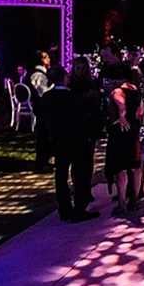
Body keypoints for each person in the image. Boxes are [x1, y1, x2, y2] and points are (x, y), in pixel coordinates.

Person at [42, 66, 99, 223]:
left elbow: (42, 120)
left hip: (57, 141)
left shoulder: (46, 97)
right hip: (75, 140)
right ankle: (79, 209)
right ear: (64, 78)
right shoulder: (73, 97)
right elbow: (82, 119)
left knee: (61, 175)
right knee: (79, 174)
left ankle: (64, 209)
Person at [105, 67, 144, 213]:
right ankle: (135, 199)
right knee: (135, 165)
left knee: (121, 167)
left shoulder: (117, 91)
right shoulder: (136, 91)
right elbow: (141, 110)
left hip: (121, 131)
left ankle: (122, 202)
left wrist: (122, 116)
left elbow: (121, 104)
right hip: (134, 129)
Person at [69, 57, 103, 215]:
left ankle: (84, 192)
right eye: (77, 67)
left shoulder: (88, 84)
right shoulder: (74, 86)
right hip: (80, 128)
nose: (79, 71)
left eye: (81, 68)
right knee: (80, 164)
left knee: (85, 163)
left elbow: (96, 107)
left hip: (85, 128)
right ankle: (80, 195)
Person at [30, 50, 53, 173]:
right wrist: (55, 87)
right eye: (46, 57)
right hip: (43, 109)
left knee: (46, 135)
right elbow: (43, 93)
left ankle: (45, 161)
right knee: (43, 136)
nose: (49, 59)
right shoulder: (38, 75)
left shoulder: (43, 74)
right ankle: (41, 164)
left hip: (45, 108)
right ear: (42, 60)